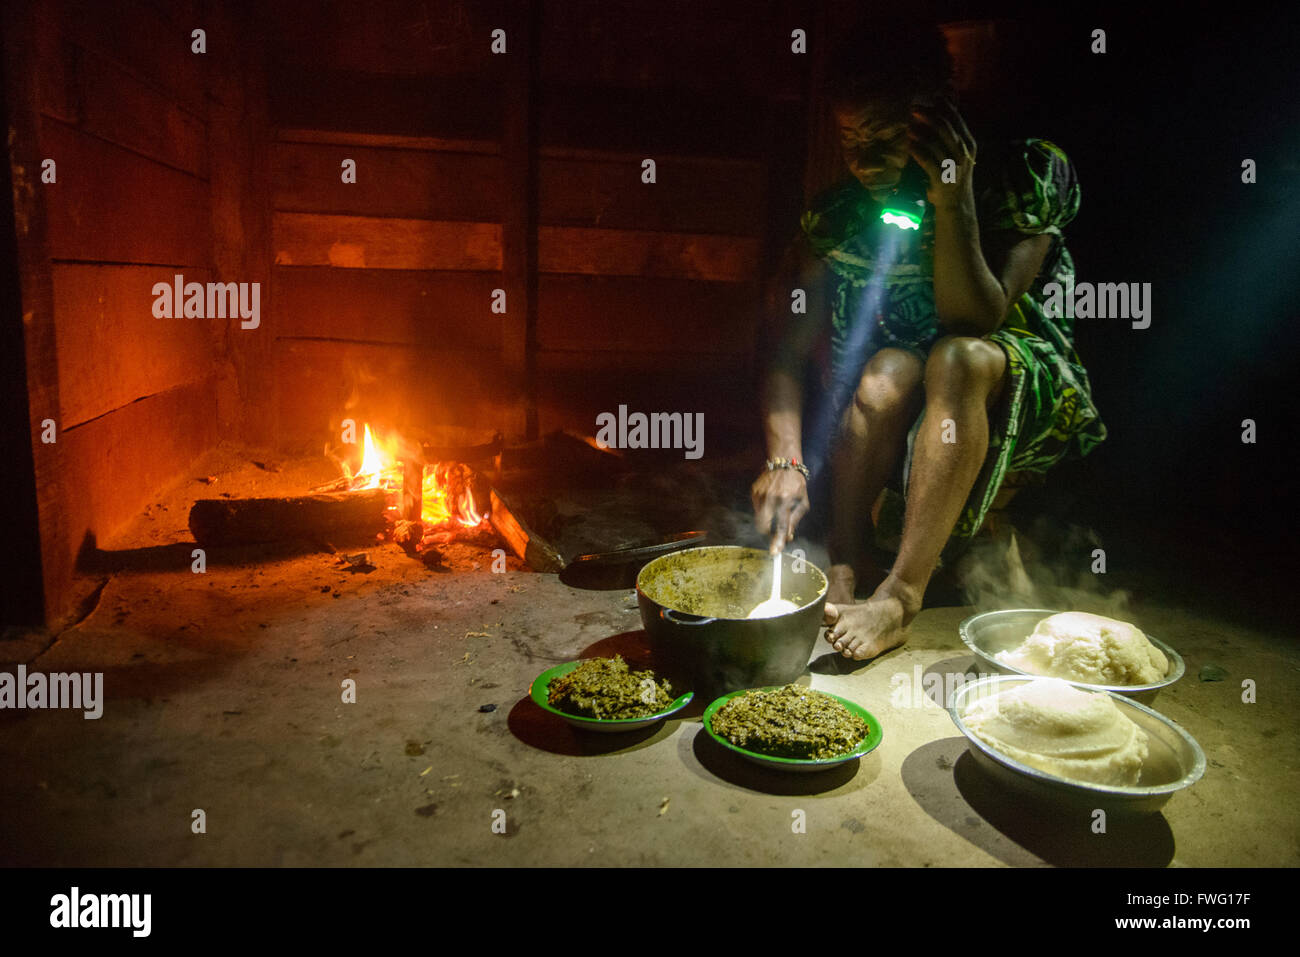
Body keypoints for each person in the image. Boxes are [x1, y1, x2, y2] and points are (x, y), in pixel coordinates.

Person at [752, 18, 1106, 661]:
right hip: (913, 378)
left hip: (1018, 380)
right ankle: (850, 562)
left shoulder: (1022, 178)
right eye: (850, 140)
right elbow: (786, 348)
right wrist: (785, 462)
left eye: (886, 139)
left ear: (939, 124)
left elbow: (977, 317)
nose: (864, 162)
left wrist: (954, 199)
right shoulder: (838, 219)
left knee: (954, 357)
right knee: (887, 369)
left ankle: (902, 595)